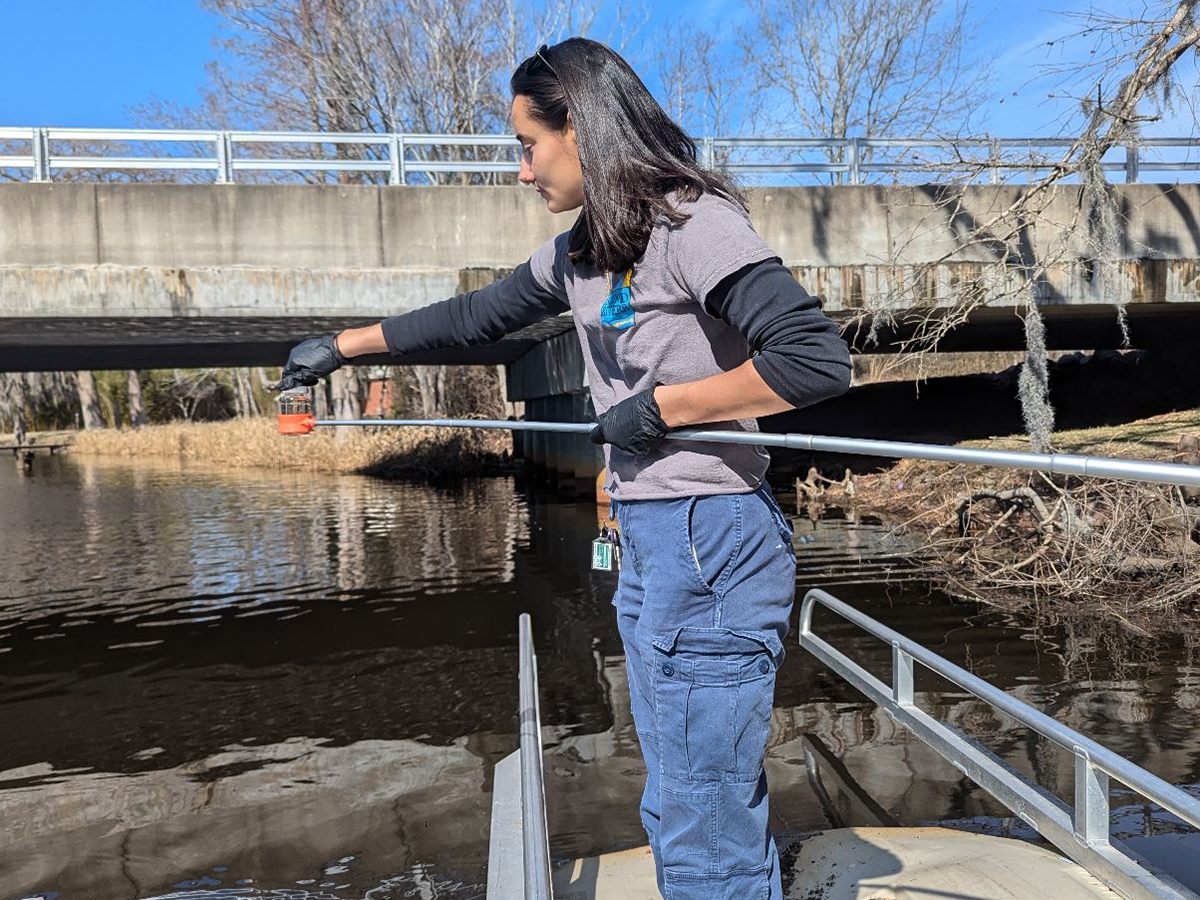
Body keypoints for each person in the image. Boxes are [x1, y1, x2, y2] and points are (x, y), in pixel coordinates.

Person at [275, 37, 851, 900]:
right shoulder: (585, 251)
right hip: (651, 538)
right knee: (678, 798)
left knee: (704, 810)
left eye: (527, 145)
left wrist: (663, 408)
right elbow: (477, 313)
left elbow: (814, 360)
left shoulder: (694, 223)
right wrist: (342, 347)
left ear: (579, 127)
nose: (520, 169)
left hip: (713, 537)